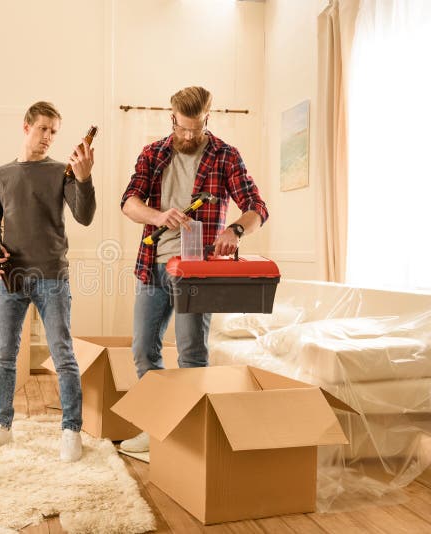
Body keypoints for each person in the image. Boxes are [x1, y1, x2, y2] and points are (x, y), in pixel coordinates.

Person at [119, 86, 269, 453]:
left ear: (208, 119)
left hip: (196, 273)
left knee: (191, 353)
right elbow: (129, 202)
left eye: (196, 128)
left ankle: (189, 435)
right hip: (153, 267)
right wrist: (157, 215)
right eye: (183, 128)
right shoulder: (153, 154)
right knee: (143, 350)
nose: (189, 135)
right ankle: (157, 427)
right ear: (172, 119)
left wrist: (235, 230)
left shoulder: (224, 156)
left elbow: (256, 207)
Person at [0, 101, 96, 463]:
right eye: (43, 129)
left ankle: (71, 430)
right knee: (4, 355)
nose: (48, 137)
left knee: (63, 355)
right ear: (26, 127)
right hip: (11, 277)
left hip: (52, 276)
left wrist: (84, 178)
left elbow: (84, 216)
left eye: (54, 132)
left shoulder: (63, 172)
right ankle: (2, 426)